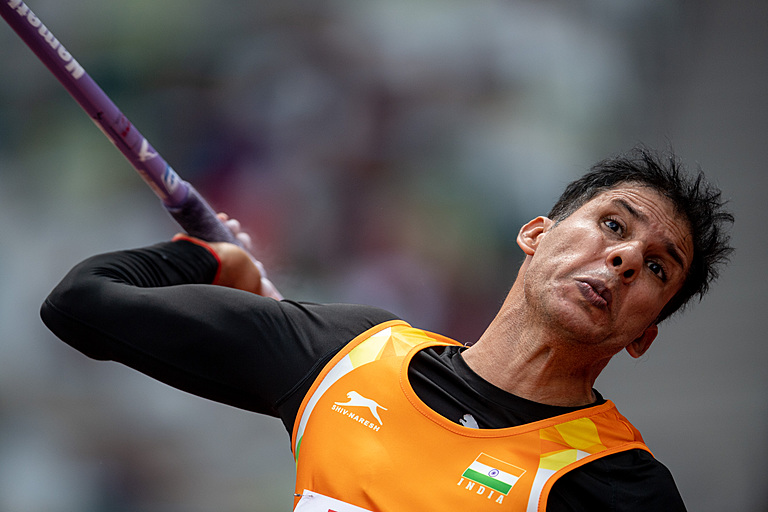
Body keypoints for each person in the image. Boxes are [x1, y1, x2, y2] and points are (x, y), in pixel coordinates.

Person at [41, 145, 733, 511]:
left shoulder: (615, 486)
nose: (624, 258)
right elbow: (83, 303)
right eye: (614, 225)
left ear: (643, 336)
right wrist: (207, 259)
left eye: (658, 269)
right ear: (535, 234)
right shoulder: (349, 355)